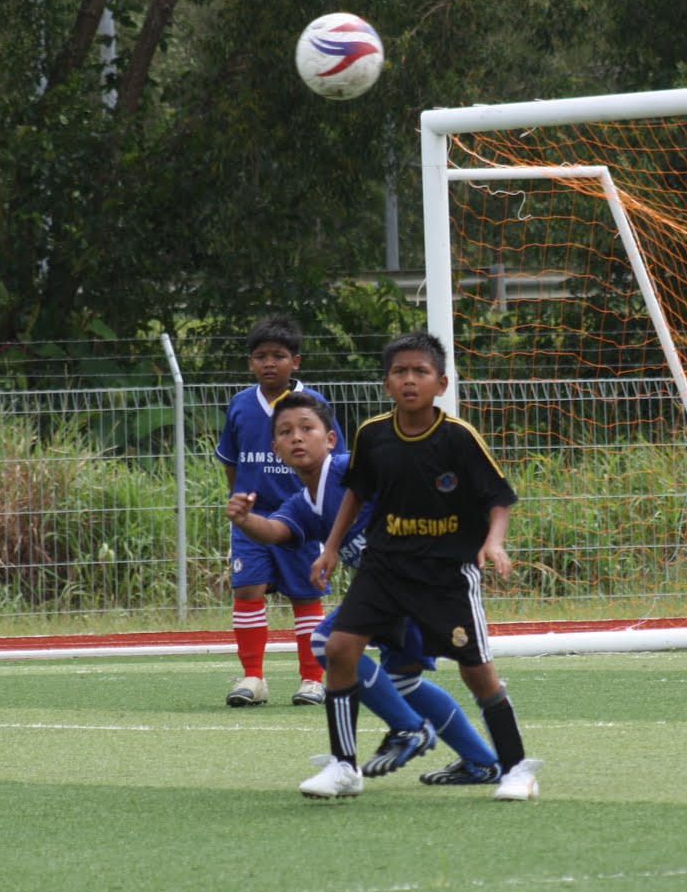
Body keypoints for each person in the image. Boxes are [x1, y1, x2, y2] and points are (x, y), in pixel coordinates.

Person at [304, 330, 541, 801]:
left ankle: (516, 769)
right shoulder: (372, 435)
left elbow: (498, 500)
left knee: (478, 673)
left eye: (420, 372)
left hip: (445, 574)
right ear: (387, 383)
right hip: (384, 568)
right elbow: (357, 493)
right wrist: (330, 549)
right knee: (339, 649)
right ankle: (344, 766)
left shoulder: (458, 438)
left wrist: (493, 545)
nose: (409, 380)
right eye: (399, 371)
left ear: (442, 383)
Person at [225, 391, 504, 782]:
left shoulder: (347, 471)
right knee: (402, 680)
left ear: (332, 439)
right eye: (286, 432)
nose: (297, 438)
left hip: (418, 580)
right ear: (275, 448)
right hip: (396, 590)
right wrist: (245, 520)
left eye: (307, 428)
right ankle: (482, 761)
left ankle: (403, 733)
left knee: (329, 643)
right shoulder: (305, 501)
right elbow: (274, 531)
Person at [214, 316, 344, 708]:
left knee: (305, 594)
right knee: (247, 588)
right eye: (261, 357)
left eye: (279, 356)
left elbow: (334, 464)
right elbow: (231, 460)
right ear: (250, 362)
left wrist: (325, 509)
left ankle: (312, 679)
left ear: (296, 362)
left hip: (301, 518)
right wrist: (241, 499)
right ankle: (253, 677)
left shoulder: (314, 405)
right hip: (254, 519)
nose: (269, 363)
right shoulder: (240, 405)